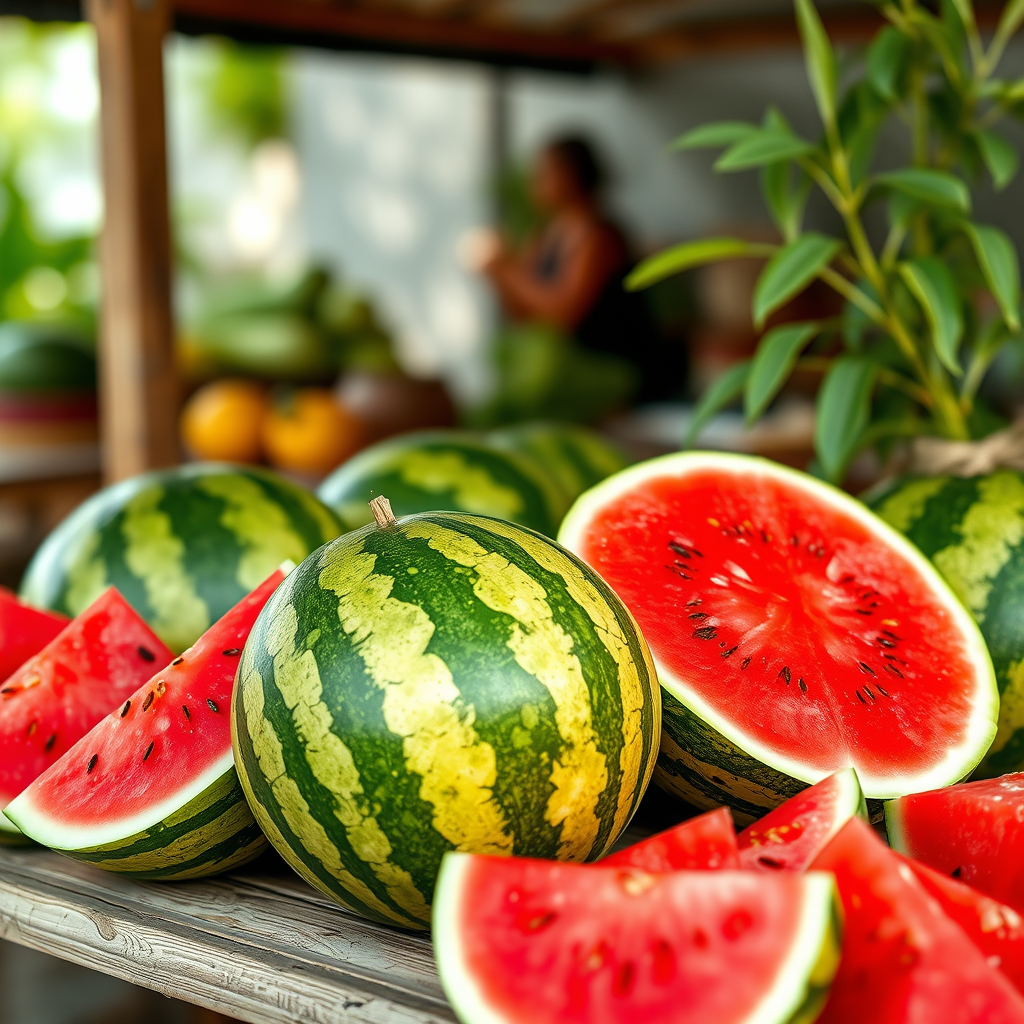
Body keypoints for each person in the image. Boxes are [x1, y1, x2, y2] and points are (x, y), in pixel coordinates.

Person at [470, 135, 683, 405]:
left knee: (539, 376)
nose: (534, 180)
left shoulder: (600, 237)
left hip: (611, 365)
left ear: (571, 175)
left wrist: (506, 269)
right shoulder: (546, 234)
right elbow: (524, 315)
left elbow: (564, 314)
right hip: (566, 362)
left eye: (545, 171)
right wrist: (496, 276)